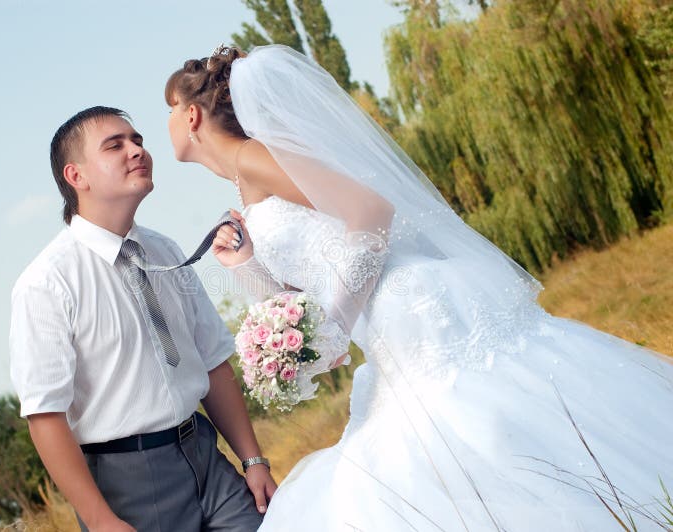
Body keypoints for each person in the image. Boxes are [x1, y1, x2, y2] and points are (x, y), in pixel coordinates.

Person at [164, 45, 673, 531]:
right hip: (385, 330)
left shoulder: (256, 158)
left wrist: (336, 325)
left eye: (167, 110)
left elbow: (370, 212)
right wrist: (245, 262)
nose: (161, 127)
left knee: (476, 439)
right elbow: (298, 294)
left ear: (191, 117)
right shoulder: (247, 185)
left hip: (413, 308)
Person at [9, 106, 276, 532]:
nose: (136, 150)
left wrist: (253, 458)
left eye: (137, 140)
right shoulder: (47, 283)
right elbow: (45, 416)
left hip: (205, 454)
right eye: (115, 146)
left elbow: (211, 360)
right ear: (76, 176)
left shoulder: (167, 251)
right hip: (128, 484)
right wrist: (99, 520)